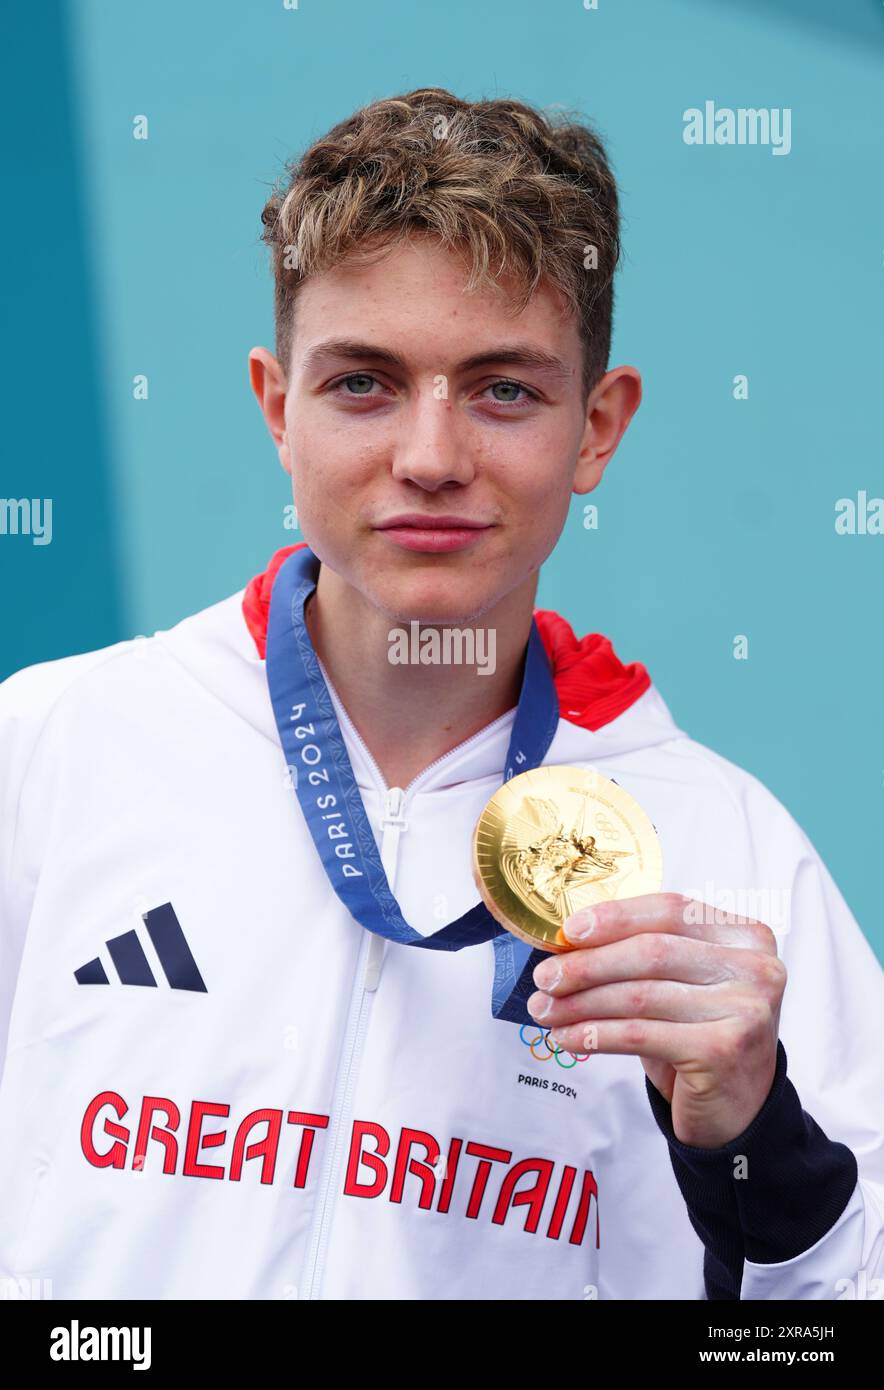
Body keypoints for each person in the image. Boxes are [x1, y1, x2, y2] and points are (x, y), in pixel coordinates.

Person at [0, 87, 881, 1302]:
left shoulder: (729, 855)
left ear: (596, 427)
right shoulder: (48, 753)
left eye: (502, 389)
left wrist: (755, 1147)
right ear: (276, 408)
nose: (428, 456)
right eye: (362, 383)